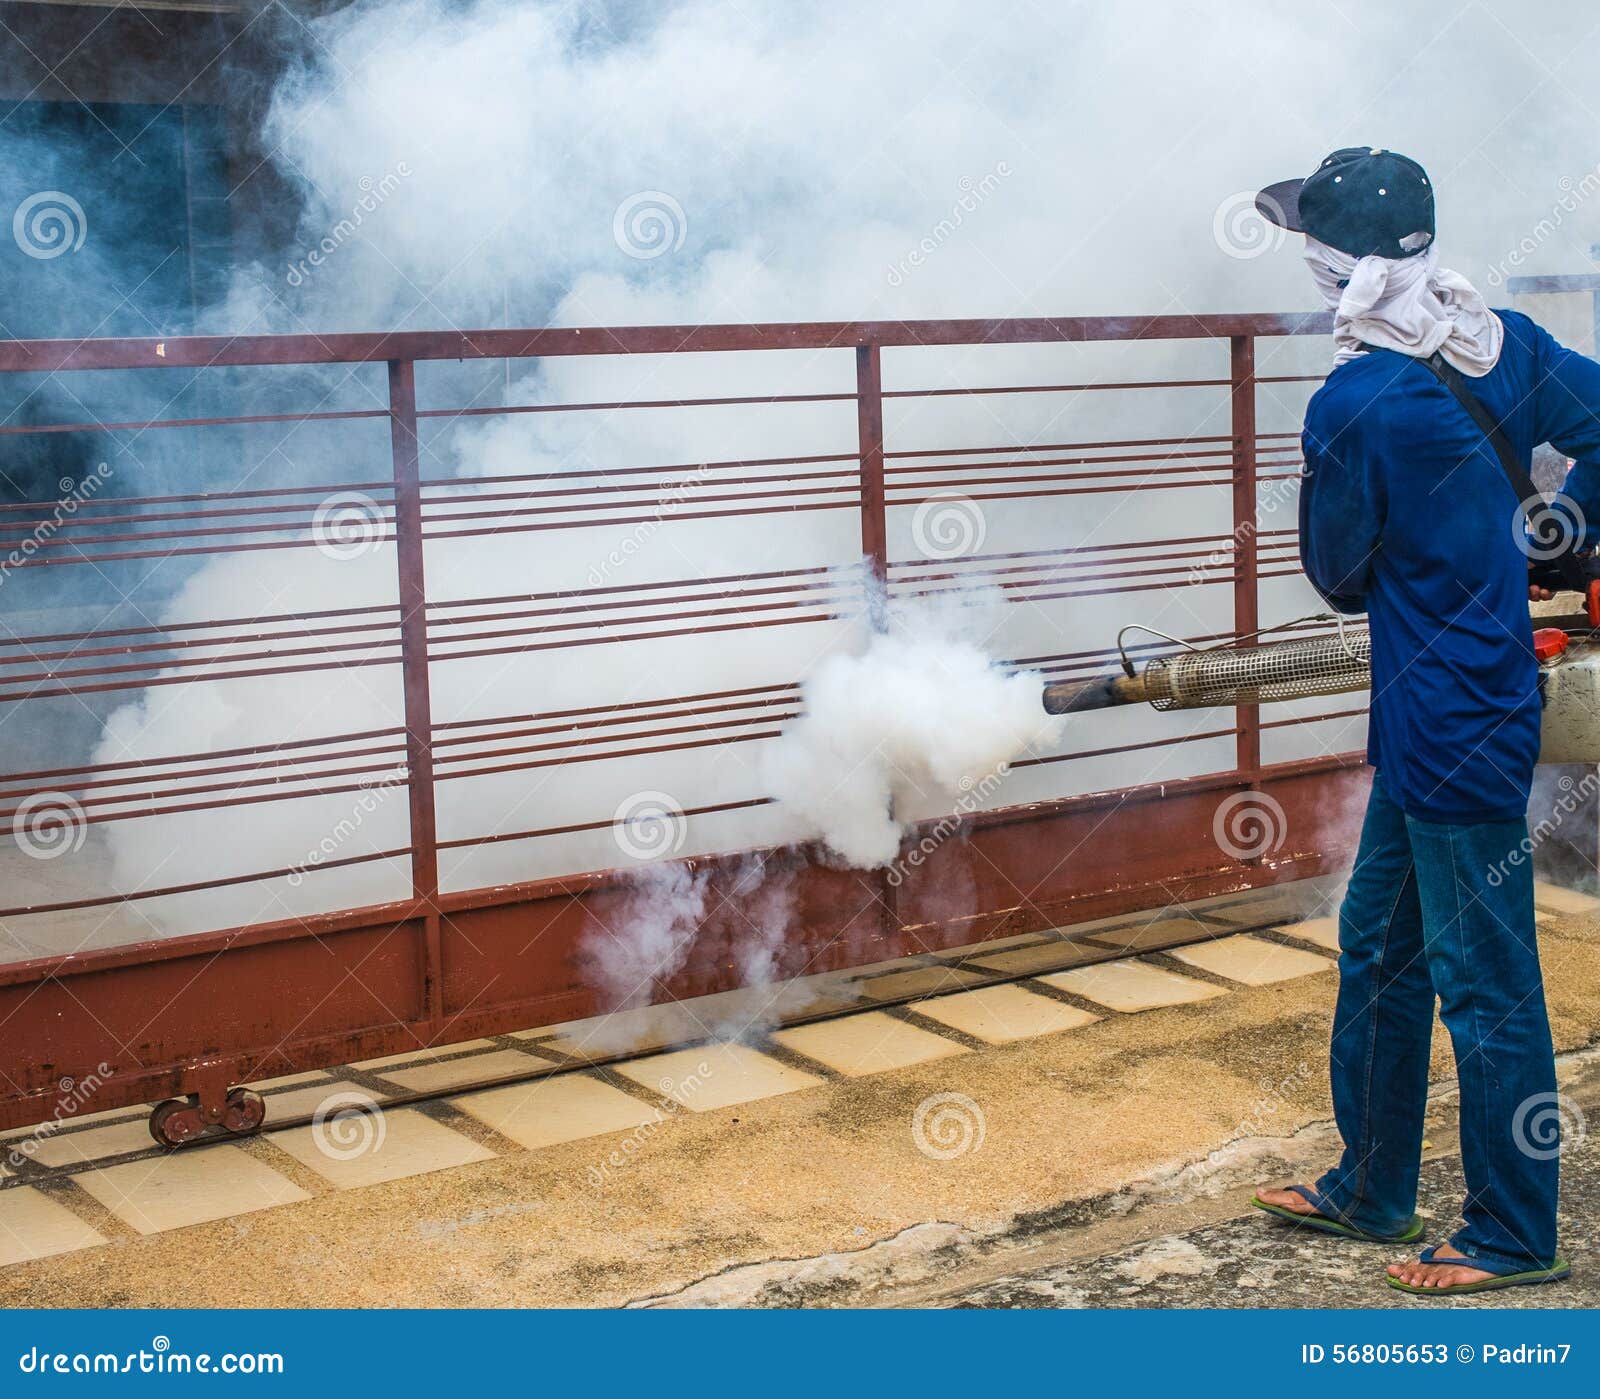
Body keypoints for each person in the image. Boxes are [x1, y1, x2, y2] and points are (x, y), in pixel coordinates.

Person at [1247, 146, 1600, 1295]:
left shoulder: (1354, 400)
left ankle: (1510, 1232)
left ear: (1334, 264)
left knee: (1483, 978)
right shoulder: (1499, 342)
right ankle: (1371, 1185)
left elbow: (1338, 576)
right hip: (1434, 717)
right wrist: (1562, 530)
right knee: (1380, 947)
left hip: (1452, 726)